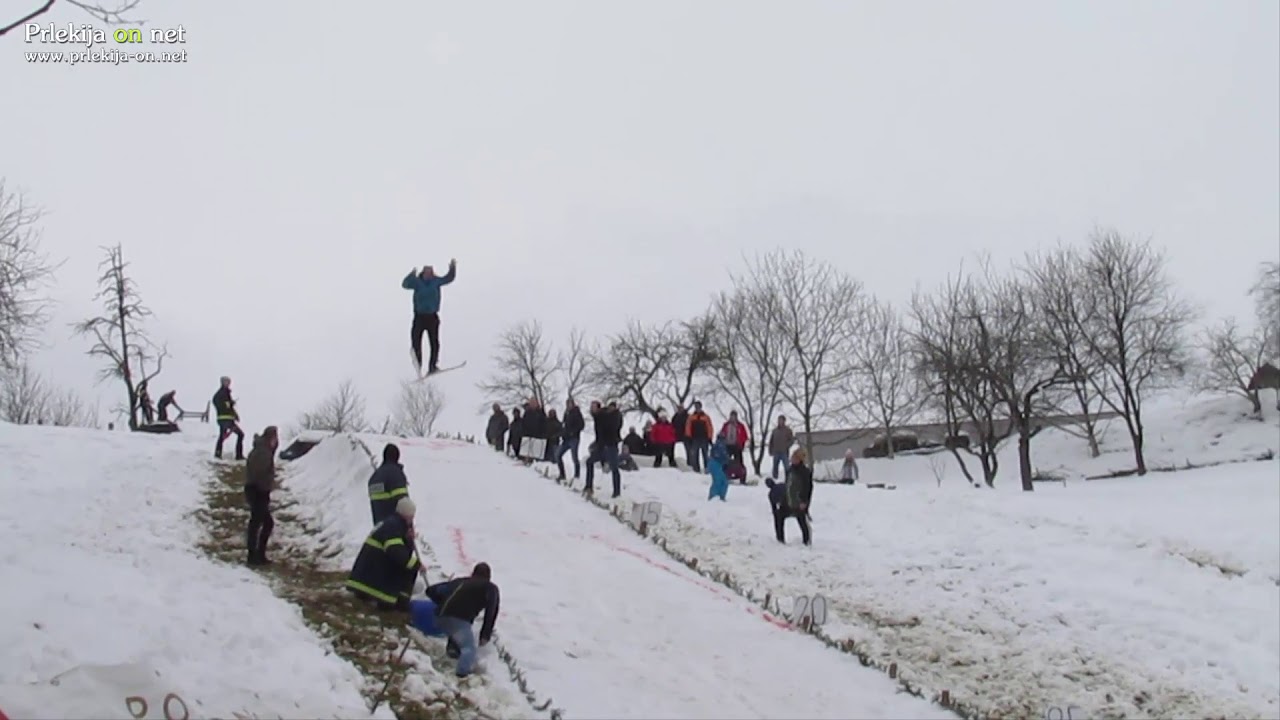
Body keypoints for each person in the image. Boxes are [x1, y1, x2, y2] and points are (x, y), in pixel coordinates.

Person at [345, 497, 424, 611]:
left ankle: (396, 601)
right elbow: (395, 551)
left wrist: (407, 539)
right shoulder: (394, 526)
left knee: (409, 564)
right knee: (409, 567)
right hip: (375, 573)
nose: (412, 519)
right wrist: (416, 565)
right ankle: (399, 603)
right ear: (406, 515)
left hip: (367, 572)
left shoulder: (391, 523)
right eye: (411, 516)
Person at [424, 562, 500, 678]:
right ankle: (461, 677)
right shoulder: (490, 588)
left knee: (456, 637)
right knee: (468, 648)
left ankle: (449, 660)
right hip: (458, 620)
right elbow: (491, 611)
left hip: (440, 617)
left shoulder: (460, 581)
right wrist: (485, 634)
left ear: (473, 573)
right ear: (489, 577)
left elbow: (431, 590)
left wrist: (443, 604)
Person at [401, 259, 457, 376]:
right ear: (423, 273)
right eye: (427, 273)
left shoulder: (436, 281)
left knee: (434, 343)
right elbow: (405, 284)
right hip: (419, 317)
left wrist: (453, 268)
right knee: (416, 341)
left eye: (431, 273)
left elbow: (448, 278)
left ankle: (432, 366)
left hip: (432, 318)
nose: (429, 275)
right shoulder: (417, 282)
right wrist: (411, 275)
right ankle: (418, 364)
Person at [244, 425, 279, 566]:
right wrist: (265, 486)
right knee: (261, 523)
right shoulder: (262, 452)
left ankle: (256, 555)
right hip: (257, 491)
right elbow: (258, 473)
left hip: (257, 490)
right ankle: (255, 556)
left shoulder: (263, 450)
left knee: (259, 523)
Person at [584, 400, 622, 497]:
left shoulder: (611, 415)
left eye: (594, 407)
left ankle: (617, 492)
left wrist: (611, 412)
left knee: (614, 468)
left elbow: (612, 427)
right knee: (589, 462)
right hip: (601, 445)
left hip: (611, 445)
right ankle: (588, 486)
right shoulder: (600, 416)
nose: (592, 409)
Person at [368, 443, 409, 525]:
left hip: (379, 531)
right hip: (395, 530)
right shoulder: (395, 474)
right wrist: (409, 527)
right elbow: (404, 503)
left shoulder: (373, 478)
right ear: (397, 457)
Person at [780, 448, 814, 545]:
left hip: (799, 502)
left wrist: (804, 502)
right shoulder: (790, 470)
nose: (792, 459)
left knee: (802, 521)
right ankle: (780, 540)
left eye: (794, 457)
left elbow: (808, 488)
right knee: (779, 516)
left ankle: (806, 541)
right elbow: (787, 486)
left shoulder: (805, 472)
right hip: (788, 501)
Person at [212, 376, 245, 460]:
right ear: (222, 382)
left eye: (229, 382)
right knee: (240, 434)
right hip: (225, 419)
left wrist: (235, 414)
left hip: (227, 419)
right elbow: (220, 403)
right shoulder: (221, 393)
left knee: (222, 436)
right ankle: (238, 455)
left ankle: (218, 454)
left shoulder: (226, 393)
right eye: (227, 382)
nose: (229, 383)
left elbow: (228, 406)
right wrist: (228, 404)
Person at [556, 398, 585, 481]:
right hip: (566, 439)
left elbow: (581, 425)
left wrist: (573, 431)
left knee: (574, 457)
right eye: (567, 404)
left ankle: (577, 476)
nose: (568, 406)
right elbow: (564, 424)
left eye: (570, 404)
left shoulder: (577, 413)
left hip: (574, 438)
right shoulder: (566, 413)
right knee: (558, 455)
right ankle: (562, 474)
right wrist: (562, 433)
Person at [684, 402, 715, 473]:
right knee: (694, 454)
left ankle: (707, 468)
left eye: (698, 407)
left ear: (701, 407)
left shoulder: (706, 417)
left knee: (706, 455)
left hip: (704, 439)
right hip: (695, 439)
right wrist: (688, 436)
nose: (697, 408)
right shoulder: (691, 417)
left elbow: (709, 427)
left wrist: (710, 437)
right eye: (696, 407)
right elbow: (688, 427)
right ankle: (696, 469)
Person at [767, 415, 795, 480]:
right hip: (776, 452)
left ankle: (788, 479)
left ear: (784, 421)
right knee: (775, 467)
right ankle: (775, 479)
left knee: (787, 467)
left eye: (781, 420)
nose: (780, 422)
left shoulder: (788, 430)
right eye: (779, 420)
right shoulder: (775, 431)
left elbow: (792, 440)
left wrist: (787, 446)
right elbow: (771, 441)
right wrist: (770, 450)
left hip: (784, 452)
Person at [707, 436, 729, 501]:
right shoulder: (720, 445)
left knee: (721, 481)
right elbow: (722, 456)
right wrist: (727, 460)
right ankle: (715, 497)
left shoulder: (717, 445)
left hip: (714, 464)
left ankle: (716, 496)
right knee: (720, 481)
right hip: (715, 464)